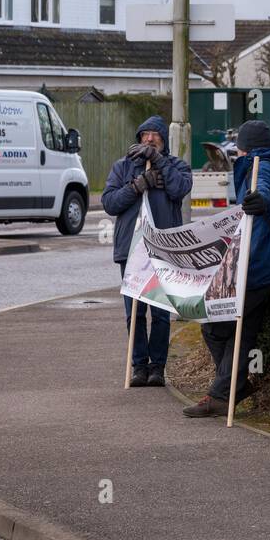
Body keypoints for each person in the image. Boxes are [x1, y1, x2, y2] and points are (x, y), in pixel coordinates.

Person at [183, 120, 270, 418]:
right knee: (238, 330)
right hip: (262, 263)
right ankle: (230, 387)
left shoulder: (262, 167)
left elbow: (265, 191)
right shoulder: (268, 163)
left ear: (245, 147)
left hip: (259, 265)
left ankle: (227, 389)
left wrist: (259, 201)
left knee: (215, 323)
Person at [103, 114, 193, 387]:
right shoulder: (122, 168)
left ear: (163, 141)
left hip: (164, 249)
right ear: (138, 140)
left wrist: (163, 165)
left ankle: (158, 366)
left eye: (155, 136)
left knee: (162, 311)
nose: (149, 139)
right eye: (145, 135)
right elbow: (109, 203)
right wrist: (137, 185)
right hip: (131, 250)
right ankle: (138, 365)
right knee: (135, 312)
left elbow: (180, 189)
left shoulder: (177, 166)